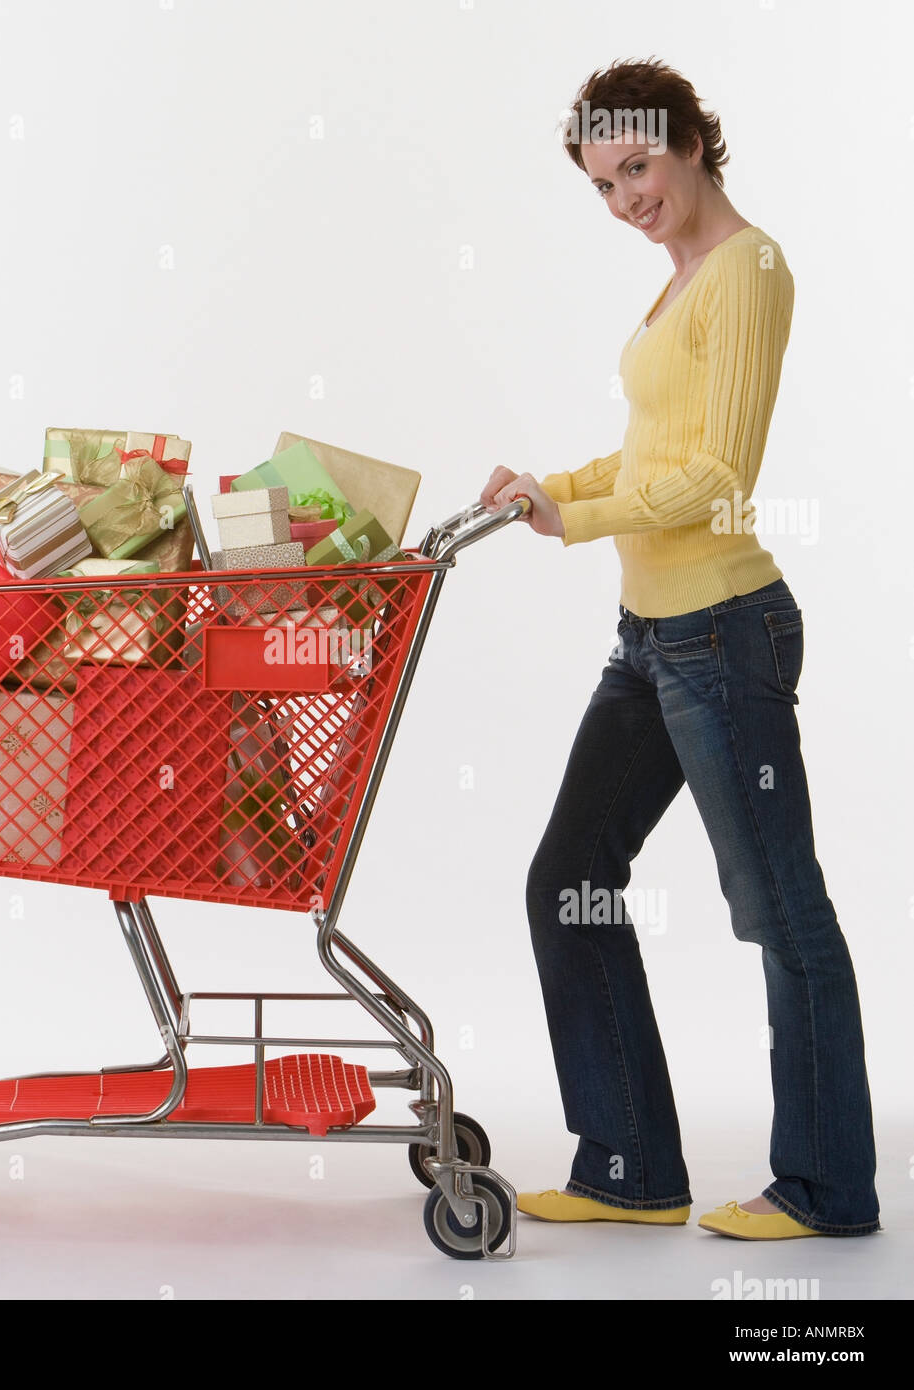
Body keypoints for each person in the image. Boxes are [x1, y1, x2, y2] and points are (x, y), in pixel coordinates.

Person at [481, 57, 880, 1239]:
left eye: (636, 167)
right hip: (651, 637)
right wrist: (543, 487)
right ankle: (629, 1165)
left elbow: (715, 479)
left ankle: (824, 1186)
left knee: (774, 909)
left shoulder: (747, 271)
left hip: (721, 631)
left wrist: (576, 521)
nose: (624, 199)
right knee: (569, 879)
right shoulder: (678, 283)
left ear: (692, 143)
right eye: (603, 184)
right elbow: (653, 447)